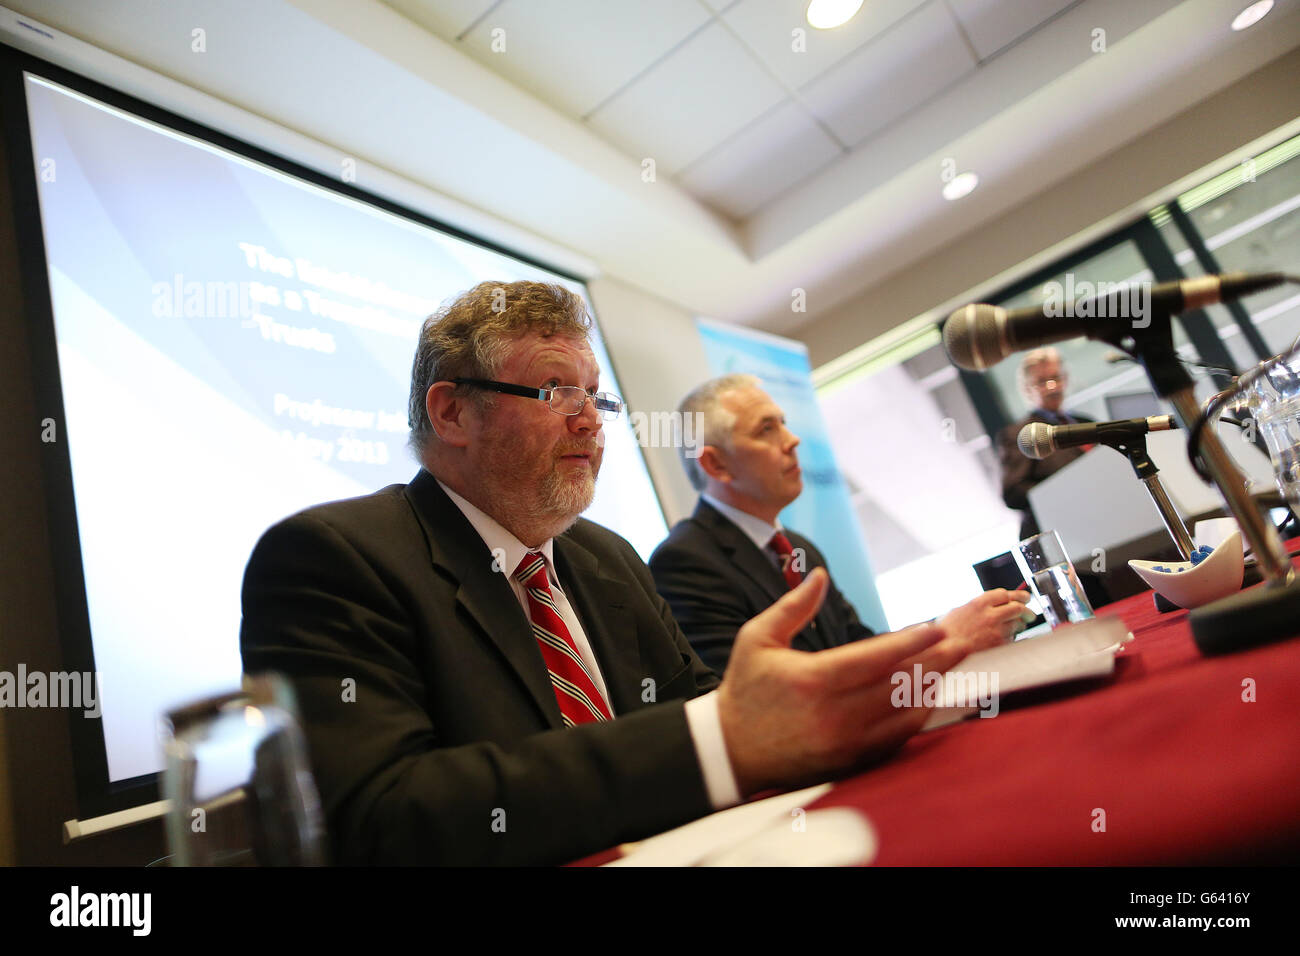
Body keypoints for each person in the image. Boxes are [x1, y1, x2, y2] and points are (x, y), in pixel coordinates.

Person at [239, 281, 972, 866]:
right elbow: (382, 822)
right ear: (453, 412)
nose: (589, 421)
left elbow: (701, 705)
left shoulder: (607, 557)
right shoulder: (330, 557)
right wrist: (723, 737)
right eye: (557, 391)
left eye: (597, 396)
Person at [650, 375, 1033, 675]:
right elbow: (760, 695)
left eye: (783, 424)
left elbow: (858, 648)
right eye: (766, 429)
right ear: (716, 465)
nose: (793, 439)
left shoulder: (799, 547)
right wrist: (947, 637)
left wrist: (945, 628)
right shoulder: (684, 561)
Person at [998, 348, 1095, 539]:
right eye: (1042, 381)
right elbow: (1014, 492)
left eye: (1056, 377)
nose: (1052, 387)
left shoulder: (1086, 422)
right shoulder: (1022, 434)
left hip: (1100, 520)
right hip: (1057, 533)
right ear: (1027, 389)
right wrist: (1066, 490)